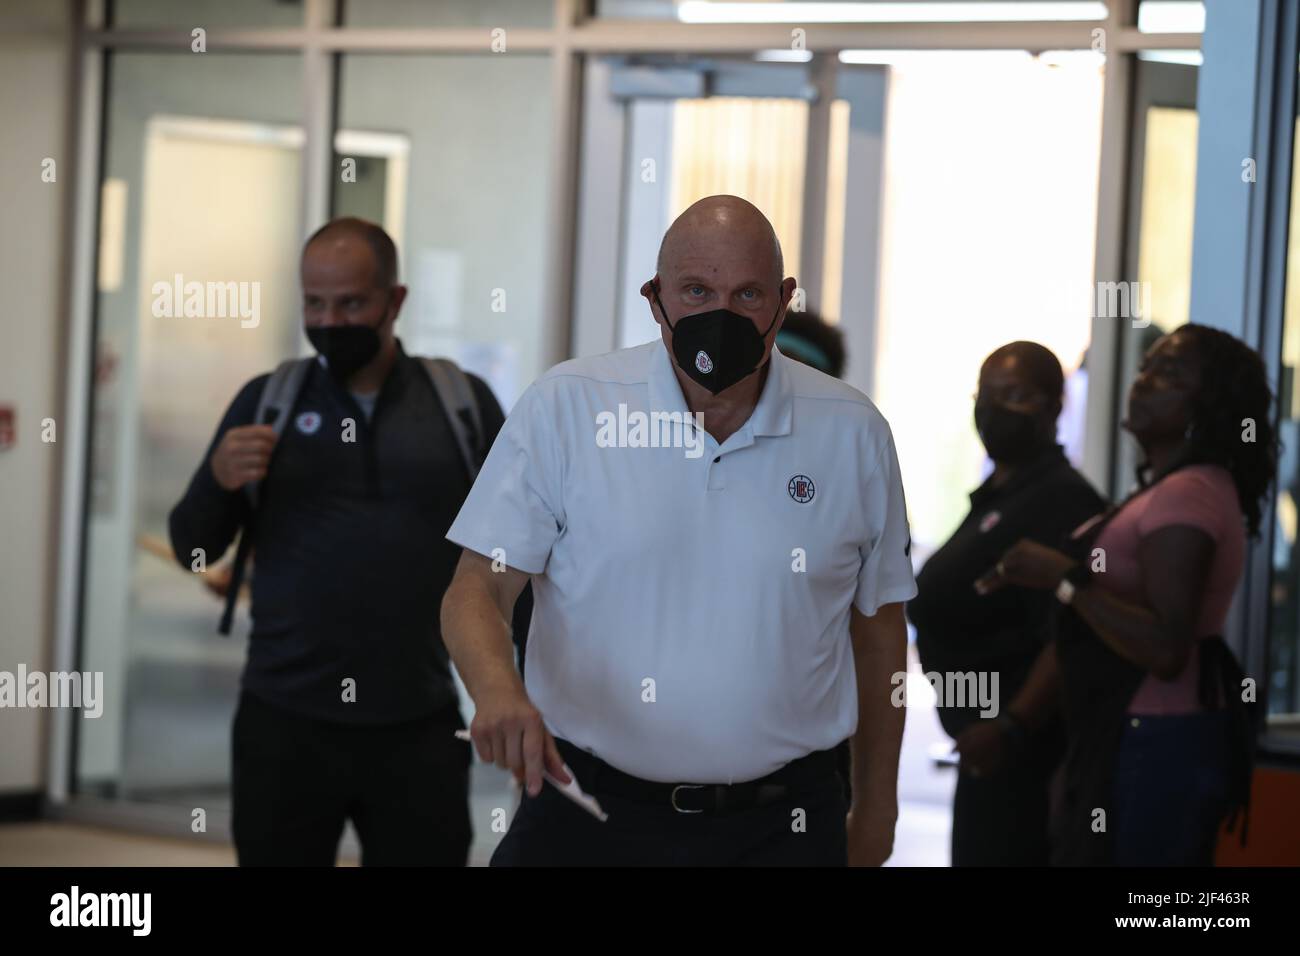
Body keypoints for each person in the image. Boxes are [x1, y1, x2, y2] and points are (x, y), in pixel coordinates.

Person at [440, 195, 917, 866]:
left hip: (785, 826)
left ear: (784, 300)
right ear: (654, 296)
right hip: (587, 814)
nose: (720, 315)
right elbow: (476, 589)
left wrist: (877, 808)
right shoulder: (569, 407)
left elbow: (879, 631)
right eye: (696, 290)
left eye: (746, 293)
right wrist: (496, 690)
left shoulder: (851, 432)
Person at [168, 217, 508, 866]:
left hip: (419, 721)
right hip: (283, 723)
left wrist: (517, 683)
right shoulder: (268, 402)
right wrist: (217, 481)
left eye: (351, 302)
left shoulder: (460, 405)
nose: (330, 320)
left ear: (395, 301)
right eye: (314, 303)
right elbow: (192, 550)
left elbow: (516, 550)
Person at [977, 323, 1274, 866]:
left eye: (1169, 373)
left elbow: (1166, 647)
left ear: (1208, 403)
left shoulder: (1189, 494)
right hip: (1137, 733)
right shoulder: (1173, 489)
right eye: (1146, 366)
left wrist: (1065, 579)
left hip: (1158, 738)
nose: (1143, 381)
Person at [908, 342, 1105, 866]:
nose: (994, 409)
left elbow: (1067, 632)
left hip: (1024, 759)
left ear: (1053, 406)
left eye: (1014, 395)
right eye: (986, 394)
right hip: (983, 760)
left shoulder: (1063, 500)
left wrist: (1011, 726)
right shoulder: (998, 496)